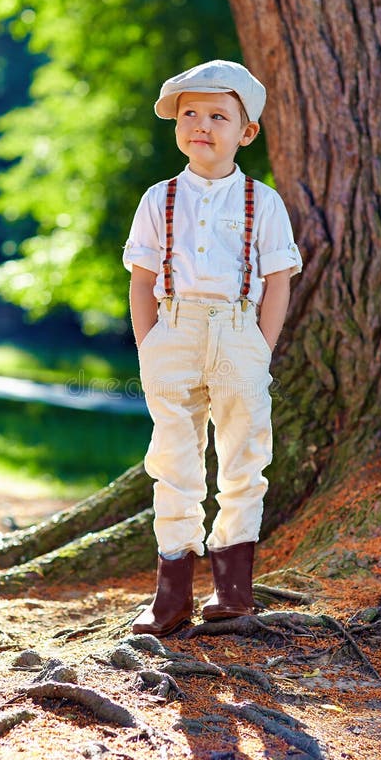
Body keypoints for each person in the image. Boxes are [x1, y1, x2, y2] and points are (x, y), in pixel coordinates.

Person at [123, 60, 303, 637]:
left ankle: (232, 592)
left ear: (246, 132)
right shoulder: (159, 198)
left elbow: (278, 280)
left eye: (218, 116)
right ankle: (171, 595)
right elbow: (142, 279)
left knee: (244, 456)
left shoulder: (262, 202)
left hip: (238, 331)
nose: (201, 125)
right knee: (173, 460)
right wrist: (149, 344)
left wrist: (259, 347)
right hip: (173, 331)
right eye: (190, 114)